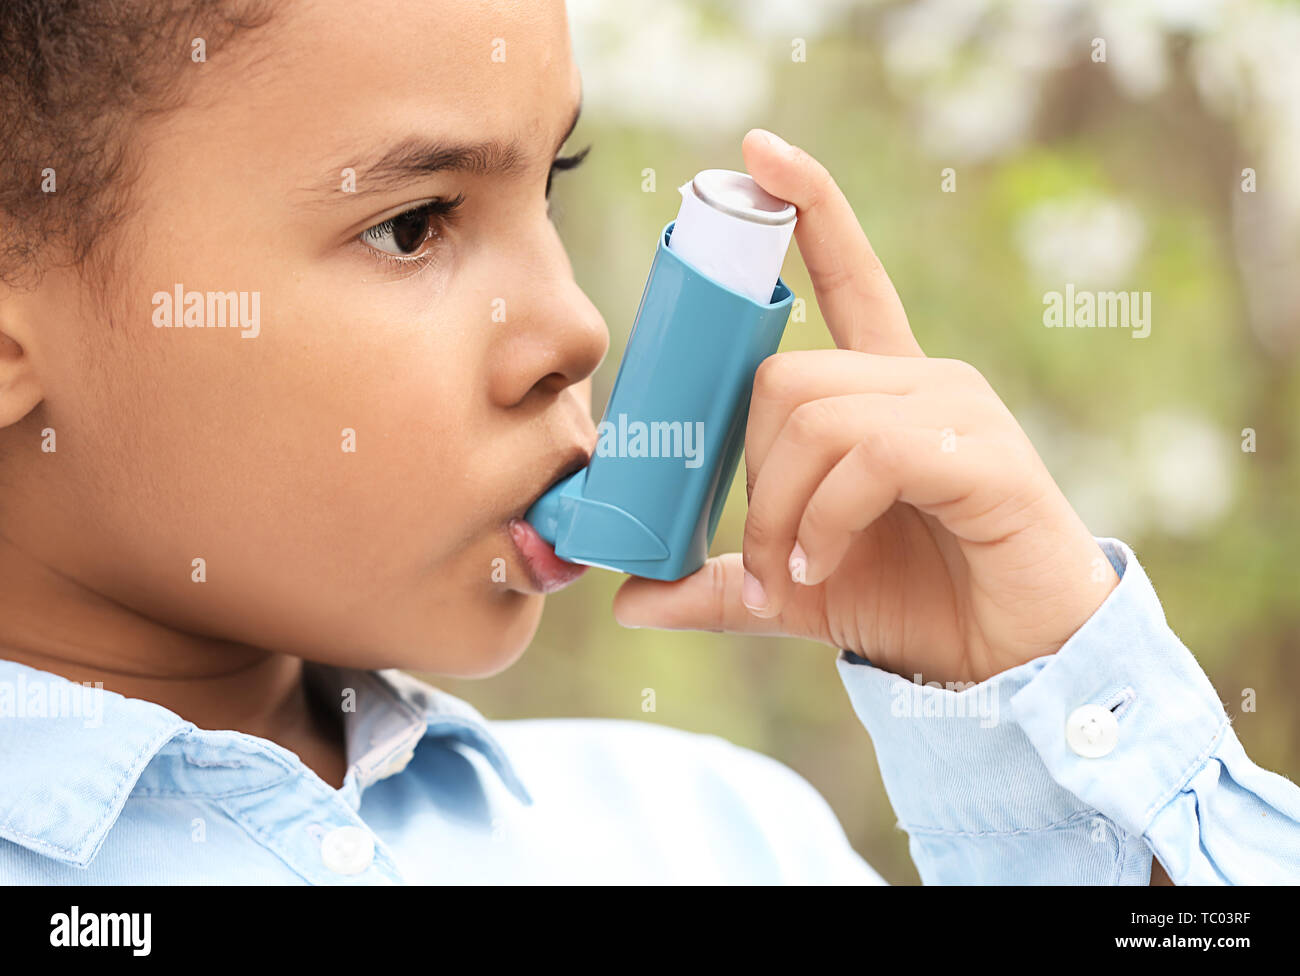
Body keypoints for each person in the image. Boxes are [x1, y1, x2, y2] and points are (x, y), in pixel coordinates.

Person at [0, 0, 1295, 885]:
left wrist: (1050, 708)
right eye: (415, 224)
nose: (572, 324)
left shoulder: (722, 838)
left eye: (547, 184)